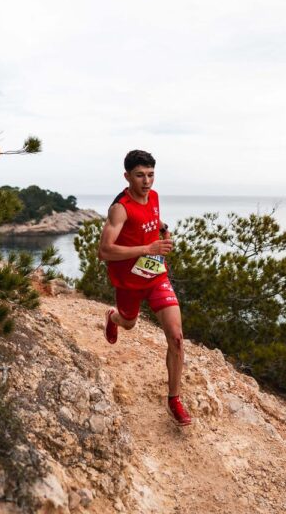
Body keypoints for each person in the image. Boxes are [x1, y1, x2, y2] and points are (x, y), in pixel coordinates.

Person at [97, 149, 192, 426]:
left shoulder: (155, 197)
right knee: (129, 323)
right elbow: (104, 251)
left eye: (150, 174)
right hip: (128, 282)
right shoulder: (120, 209)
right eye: (140, 175)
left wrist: (163, 230)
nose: (146, 181)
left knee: (176, 337)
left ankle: (173, 399)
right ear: (127, 176)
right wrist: (147, 247)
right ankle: (113, 317)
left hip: (156, 276)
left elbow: (153, 219)